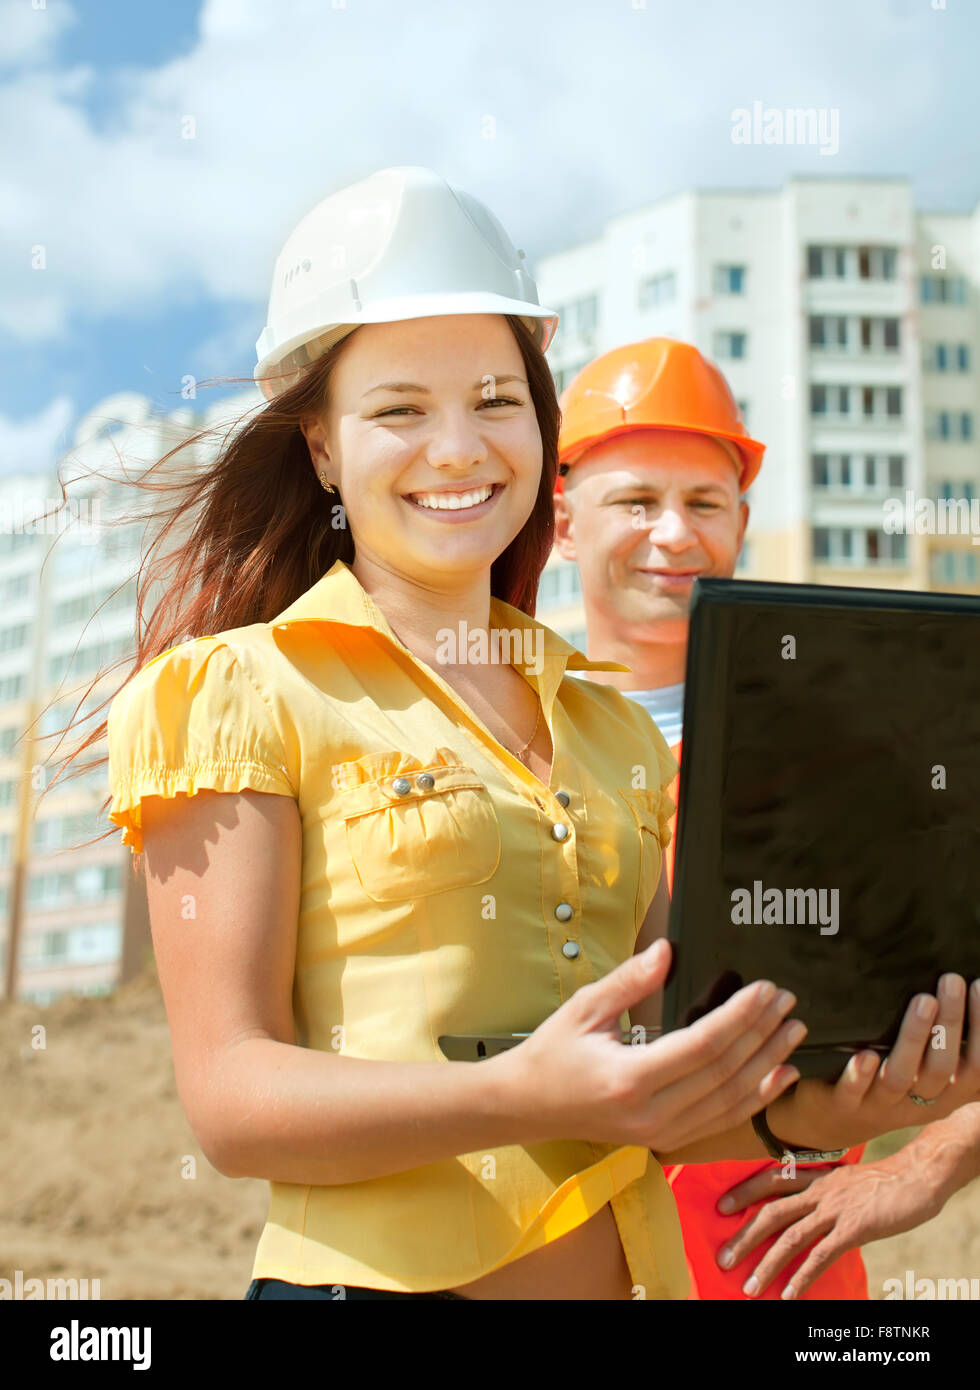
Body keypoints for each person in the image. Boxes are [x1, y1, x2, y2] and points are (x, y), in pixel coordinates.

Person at [97, 171, 978, 1301]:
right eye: (399, 409)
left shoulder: (603, 723)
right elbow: (231, 1101)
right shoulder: (233, 692)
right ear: (320, 446)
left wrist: (859, 1093)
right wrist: (526, 1094)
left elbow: (676, 1084)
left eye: (495, 399)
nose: (458, 448)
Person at [553, 336, 980, 1300]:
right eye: (635, 501)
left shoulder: (858, 760)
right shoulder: (502, 749)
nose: (673, 535)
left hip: (777, 1285)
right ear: (563, 524)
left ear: (741, 520)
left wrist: (929, 1162)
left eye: (704, 503)